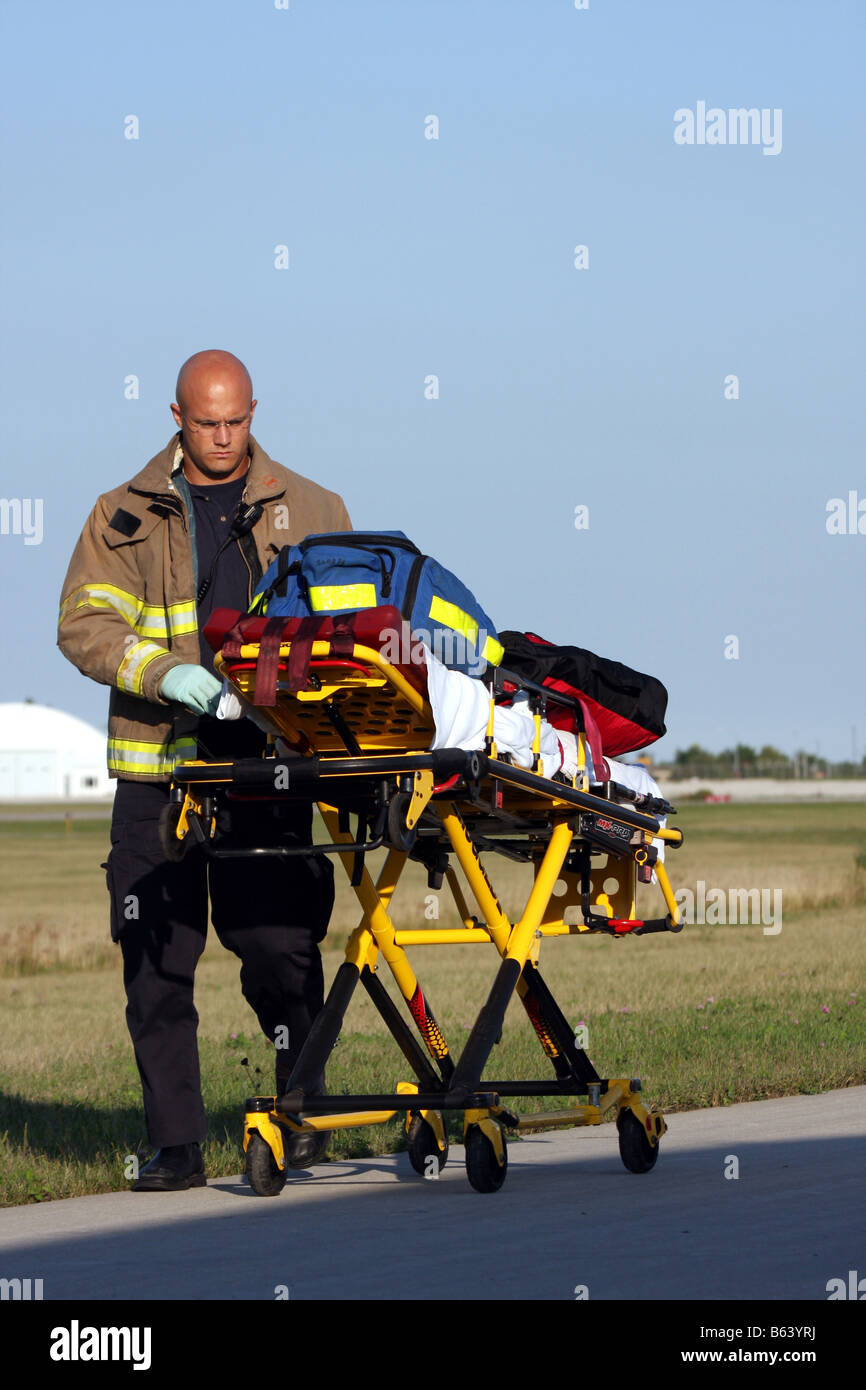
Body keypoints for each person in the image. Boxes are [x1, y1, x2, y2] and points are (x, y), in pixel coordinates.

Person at [58, 349, 352, 1190]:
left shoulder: (316, 507)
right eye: (205, 422)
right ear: (176, 418)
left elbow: (358, 629)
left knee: (277, 947)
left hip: (268, 771)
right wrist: (165, 674)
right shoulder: (122, 516)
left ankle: (303, 1107)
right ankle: (176, 1146)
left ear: (254, 410)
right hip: (160, 774)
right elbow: (83, 626)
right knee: (156, 963)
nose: (223, 438)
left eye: (237, 421)